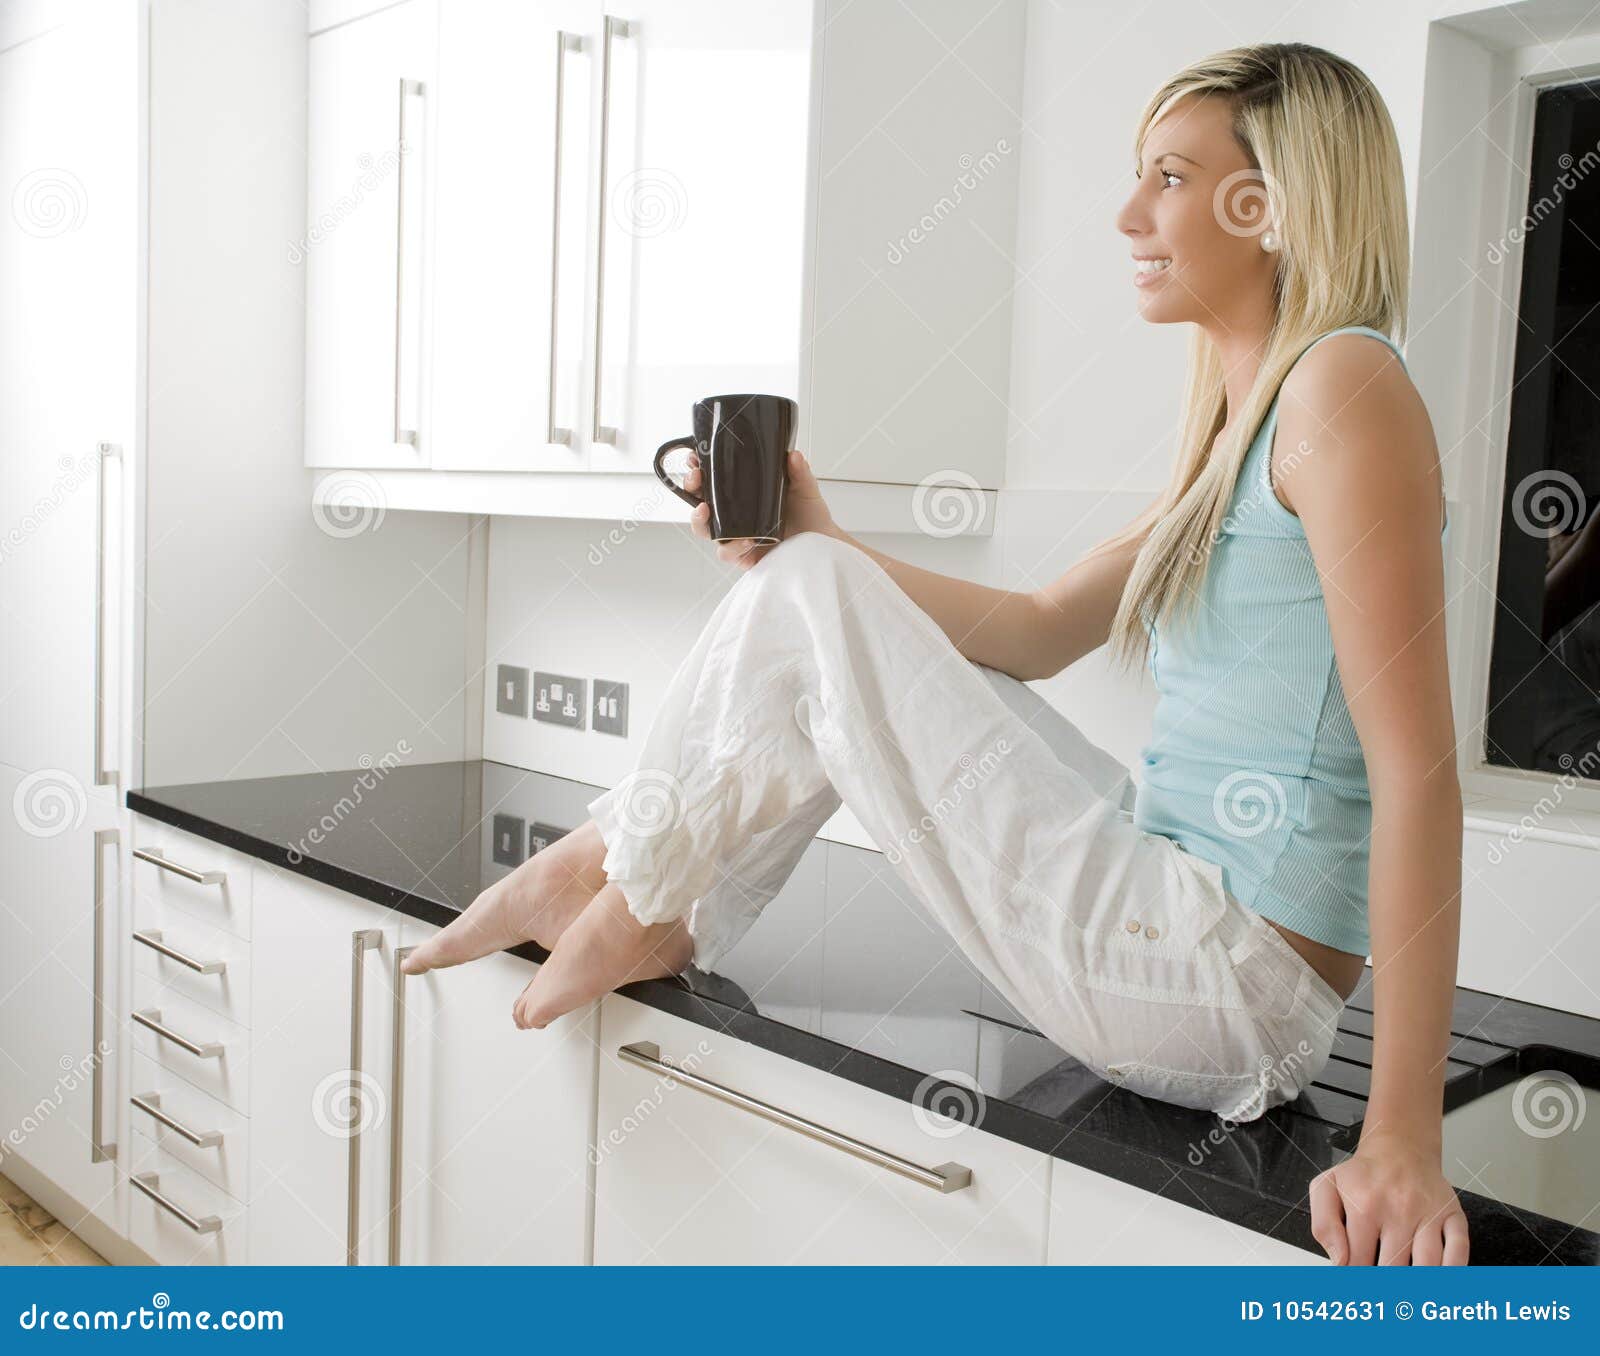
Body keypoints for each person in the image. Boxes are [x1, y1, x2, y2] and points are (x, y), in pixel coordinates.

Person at [403, 42, 1467, 1266]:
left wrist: (1402, 1135)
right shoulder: (1248, 425)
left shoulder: (1344, 388)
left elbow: (1417, 776)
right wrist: (828, 549)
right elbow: (1031, 630)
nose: (1128, 213)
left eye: (1167, 177)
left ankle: (622, 880)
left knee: (812, 597)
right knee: (812, 594)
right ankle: (641, 893)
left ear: (1274, 203)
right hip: (1176, 931)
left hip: (1228, 985)